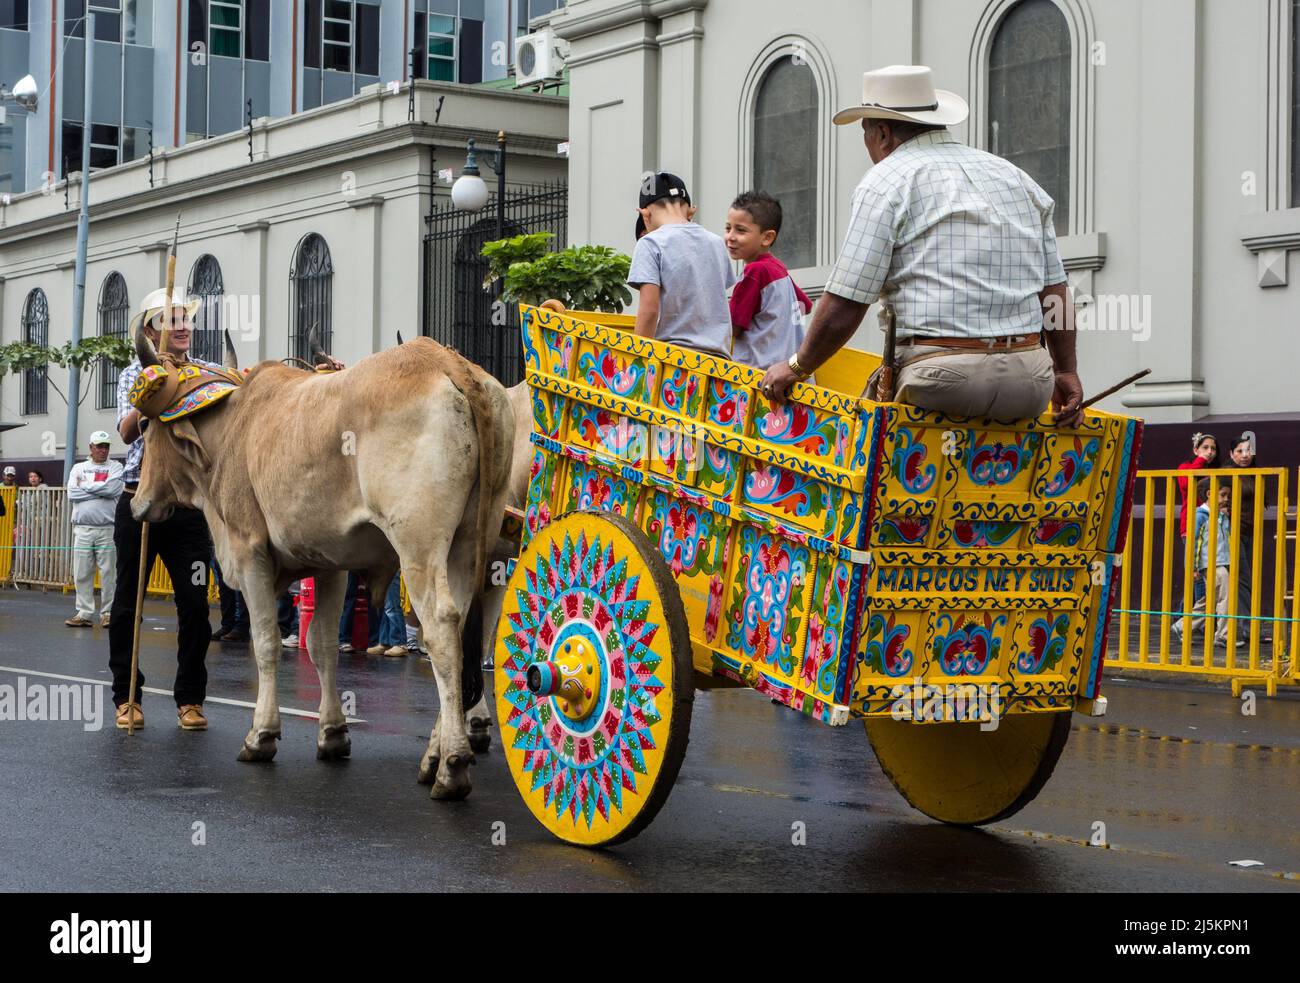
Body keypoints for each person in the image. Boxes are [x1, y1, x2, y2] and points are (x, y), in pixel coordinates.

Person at [761, 65, 1082, 427]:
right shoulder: (1015, 177)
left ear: (882, 133)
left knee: (852, 438)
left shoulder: (887, 180)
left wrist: (797, 366)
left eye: (865, 136)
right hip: (1031, 382)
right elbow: (1055, 291)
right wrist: (1066, 370)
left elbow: (846, 302)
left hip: (943, 380)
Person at [108, 288, 217, 733]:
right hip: (139, 503)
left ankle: (190, 699)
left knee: (194, 605)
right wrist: (151, 392)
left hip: (187, 508)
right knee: (127, 605)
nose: (184, 326)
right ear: (152, 329)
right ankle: (126, 697)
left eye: (187, 319)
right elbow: (126, 434)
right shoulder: (132, 372)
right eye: (173, 320)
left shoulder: (204, 373)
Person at [627, 171, 736, 358]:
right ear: (691, 210)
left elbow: (650, 310)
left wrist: (635, 360)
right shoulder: (716, 243)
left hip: (674, 362)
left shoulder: (650, 243)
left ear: (645, 214)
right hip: (719, 361)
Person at [726, 190, 812, 369]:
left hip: (756, 371)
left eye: (740, 230)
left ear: (767, 237)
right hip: (786, 368)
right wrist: (782, 330)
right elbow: (804, 305)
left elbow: (733, 326)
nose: (731, 237)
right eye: (728, 228)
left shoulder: (754, 271)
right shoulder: (778, 269)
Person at [65, 431, 124, 628]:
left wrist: (86, 486)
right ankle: (84, 612)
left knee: (109, 574)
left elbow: (113, 490)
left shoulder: (116, 467)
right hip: (82, 529)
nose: (103, 450)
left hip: (107, 529)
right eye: (99, 446)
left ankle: (107, 613)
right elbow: (72, 492)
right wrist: (100, 490)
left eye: (106, 446)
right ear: (91, 447)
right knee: (81, 572)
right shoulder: (79, 467)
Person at [1174, 483, 1232, 648]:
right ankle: (1222, 634)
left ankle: (1182, 627)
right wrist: (1192, 567)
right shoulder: (1200, 516)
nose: (1226, 500)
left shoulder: (1220, 515)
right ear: (1209, 494)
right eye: (1223, 495)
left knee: (1209, 600)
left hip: (1221, 561)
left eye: (1227, 496)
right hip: (1212, 563)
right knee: (1225, 598)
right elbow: (1192, 543)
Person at [1226, 433, 1269, 644]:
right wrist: (1223, 509)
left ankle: (1191, 621)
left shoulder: (1253, 473)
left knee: (1244, 579)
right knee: (1242, 580)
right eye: (1239, 451)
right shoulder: (1227, 473)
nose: (1245, 455)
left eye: (1248, 451)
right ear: (1231, 454)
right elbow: (1203, 487)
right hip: (1233, 532)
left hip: (1249, 532)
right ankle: (1247, 629)